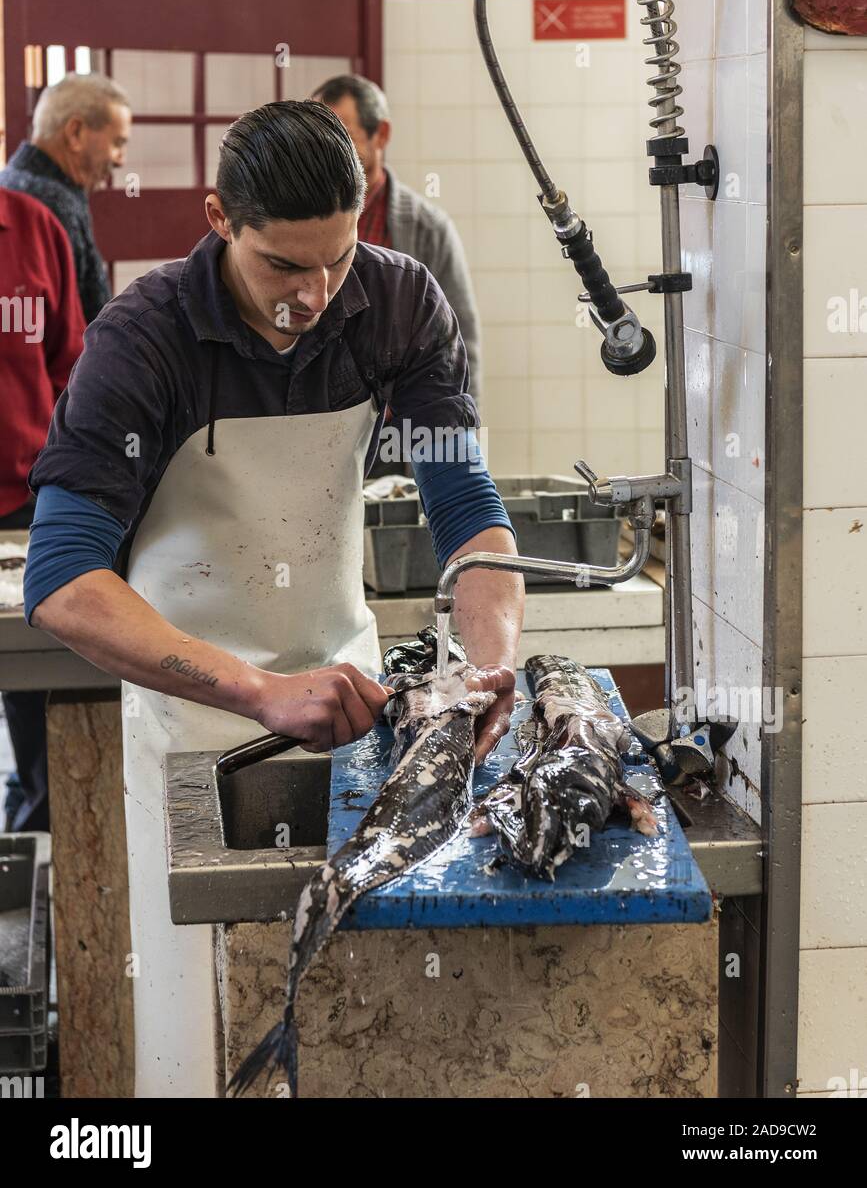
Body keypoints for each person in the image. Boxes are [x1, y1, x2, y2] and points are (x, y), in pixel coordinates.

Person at [23, 100, 524, 1098]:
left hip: (349, 712)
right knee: (201, 1042)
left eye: (335, 259)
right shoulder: (145, 339)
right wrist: (257, 691)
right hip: (193, 729)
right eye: (282, 267)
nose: (313, 293)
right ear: (218, 217)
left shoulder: (396, 305)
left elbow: (464, 504)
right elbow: (64, 583)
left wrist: (487, 663)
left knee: (357, 1031)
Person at [312, 73, 482, 401]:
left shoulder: (428, 229)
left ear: (381, 134)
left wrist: (462, 429)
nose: (326, 152)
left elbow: (461, 340)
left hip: (400, 419)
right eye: (318, 138)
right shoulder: (300, 219)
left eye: (342, 136)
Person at [0, 187, 85, 830]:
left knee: (37, 705)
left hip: (23, 502)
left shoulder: (35, 228)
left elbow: (70, 367)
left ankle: (36, 842)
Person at [0, 72, 132, 323]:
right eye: (117, 143)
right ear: (76, 132)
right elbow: (84, 324)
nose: (120, 159)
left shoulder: (7, 182)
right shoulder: (55, 203)